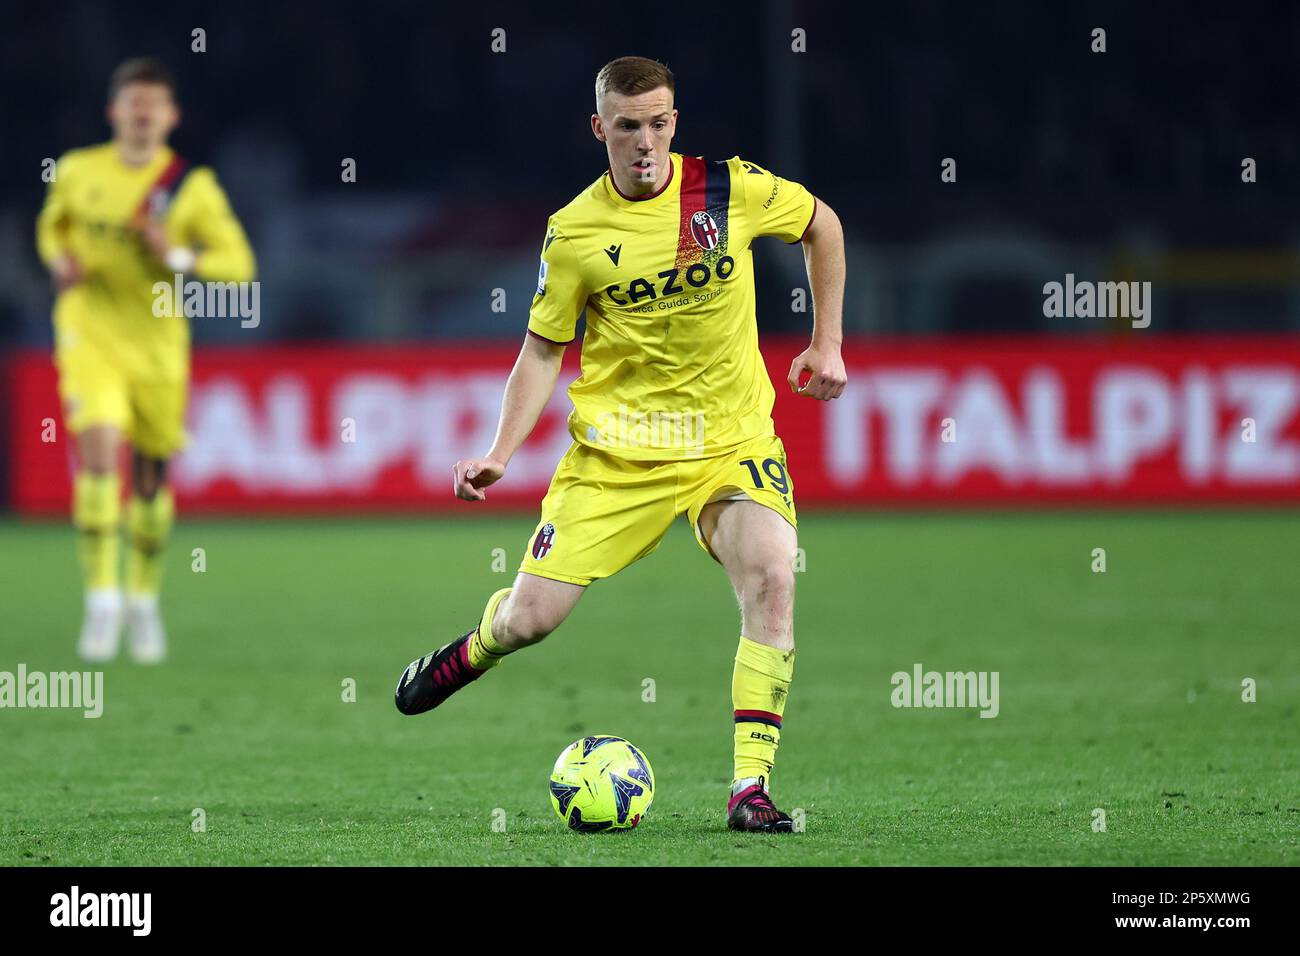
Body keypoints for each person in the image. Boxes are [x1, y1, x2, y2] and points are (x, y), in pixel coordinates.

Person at [396, 55, 846, 832]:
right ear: (599, 128)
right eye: (628, 125)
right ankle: (473, 650)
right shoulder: (573, 233)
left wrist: (827, 342)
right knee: (529, 622)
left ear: (676, 121)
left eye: (659, 122)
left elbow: (821, 224)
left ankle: (749, 790)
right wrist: (501, 451)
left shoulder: (728, 188)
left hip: (728, 442)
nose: (645, 141)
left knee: (773, 575)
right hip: (618, 457)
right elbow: (542, 350)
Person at [36, 57, 256, 663]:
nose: (141, 112)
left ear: (170, 116)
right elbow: (52, 229)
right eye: (132, 101)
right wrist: (59, 261)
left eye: (152, 104)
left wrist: (178, 258)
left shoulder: (192, 187)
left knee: (152, 477)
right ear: (114, 110)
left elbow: (238, 267)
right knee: (101, 449)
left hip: (158, 343)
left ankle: (142, 597)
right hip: (90, 331)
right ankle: (101, 599)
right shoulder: (79, 172)